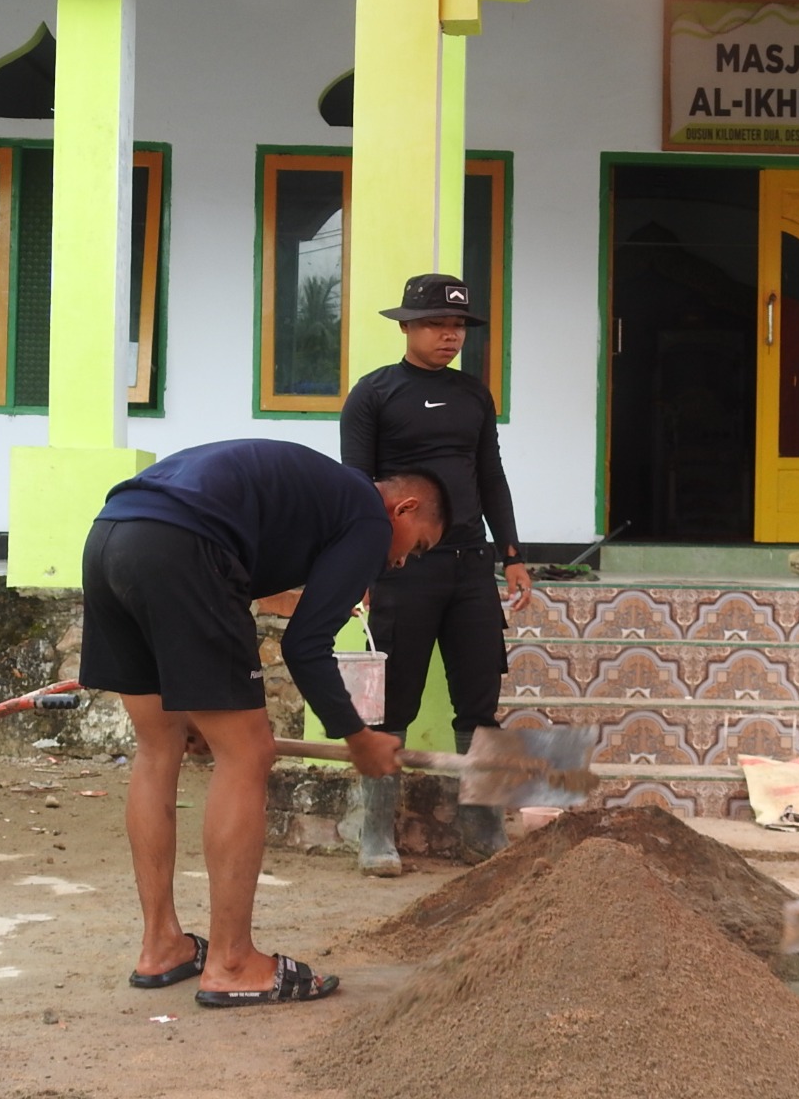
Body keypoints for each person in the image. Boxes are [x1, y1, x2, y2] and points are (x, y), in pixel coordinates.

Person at [79, 438, 447, 1007]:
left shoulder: (317, 496)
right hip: (183, 544)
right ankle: (231, 963)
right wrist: (358, 735)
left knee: (159, 745)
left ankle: (162, 946)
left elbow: (245, 582)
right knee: (248, 753)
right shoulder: (367, 518)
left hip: (112, 536)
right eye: (416, 546)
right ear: (403, 510)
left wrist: (201, 703)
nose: (400, 561)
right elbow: (307, 645)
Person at [340, 272, 531, 873]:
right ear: (406, 327)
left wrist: (513, 554)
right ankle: (377, 834)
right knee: (394, 702)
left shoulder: (474, 396)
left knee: (480, 700)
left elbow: (490, 476)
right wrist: (363, 568)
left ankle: (484, 833)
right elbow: (357, 489)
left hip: (470, 567)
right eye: (435, 324)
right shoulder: (373, 394)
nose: (449, 335)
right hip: (404, 569)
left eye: (457, 326)